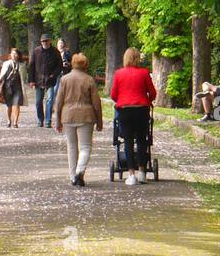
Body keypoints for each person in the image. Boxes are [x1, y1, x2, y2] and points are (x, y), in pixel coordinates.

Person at [108, 48, 157, 186]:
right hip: (141, 110)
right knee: (142, 140)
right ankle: (142, 172)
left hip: (125, 110)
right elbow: (152, 92)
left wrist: (122, 99)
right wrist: (147, 101)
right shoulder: (144, 73)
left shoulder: (118, 74)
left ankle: (131, 174)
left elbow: (113, 95)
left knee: (128, 141)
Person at [55, 53, 103, 186]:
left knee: (71, 147)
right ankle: (79, 172)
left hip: (68, 115)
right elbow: (96, 103)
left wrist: (57, 120)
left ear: (72, 64)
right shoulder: (89, 80)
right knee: (85, 147)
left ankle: (72, 176)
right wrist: (99, 121)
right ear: (85, 65)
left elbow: (58, 102)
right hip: (86, 116)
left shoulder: (64, 79)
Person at [28, 33, 62, 128]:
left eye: (46, 40)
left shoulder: (55, 52)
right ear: (40, 42)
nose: (45, 42)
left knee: (49, 100)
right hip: (38, 80)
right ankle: (40, 119)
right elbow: (31, 66)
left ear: (49, 41)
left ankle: (48, 120)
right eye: (43, 41)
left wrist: (53, 75)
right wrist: (31, 80)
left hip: (50, 80)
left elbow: (59, 66)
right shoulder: (36, 51)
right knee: (38, 102)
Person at [0, 47, 25, 127]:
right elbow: (2, 76)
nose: (14, 55)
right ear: (10, 55)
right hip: (8, 87)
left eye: (16, 53)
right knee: (9, 105)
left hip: (18, 87)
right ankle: (9, 120)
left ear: (18, 55)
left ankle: (15, 122)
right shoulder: (6, 64)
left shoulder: (22, 65)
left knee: (17, 104)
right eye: (13, 53)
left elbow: (24, 76)